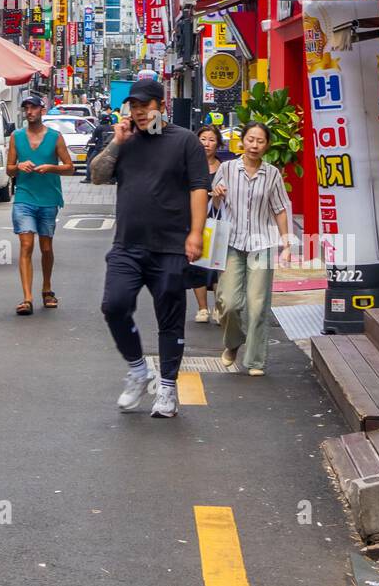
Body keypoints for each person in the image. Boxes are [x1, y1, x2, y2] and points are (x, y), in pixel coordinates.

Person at [91, 77, 210, 419]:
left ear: (162, 106)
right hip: (127, 244)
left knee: (169, 317)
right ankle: (139, 370)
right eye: (135, 107)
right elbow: (97, 175)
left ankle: (168, 388)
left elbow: (199, 188)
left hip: (171, 245)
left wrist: (196, 234)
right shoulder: (125, 141)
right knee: (114, 305)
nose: (140, 113)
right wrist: (116, 142)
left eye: (146, 106)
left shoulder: (184, 141)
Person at [211, 122, 292, 376]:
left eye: (260, 141)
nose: (254, 145)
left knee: (258, 305)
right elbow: (214, 203)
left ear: (266, 145)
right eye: (250, 140)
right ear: (242, 141)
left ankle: (255, 360)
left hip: (262, 243)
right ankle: (233, 342)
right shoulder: (226, 168)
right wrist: (216, 194)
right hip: (231, 242)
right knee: (228, 303)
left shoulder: (272, 175)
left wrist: (286, 243)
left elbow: (279, 209)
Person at [6, 93, 74, 315]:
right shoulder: (16, 136)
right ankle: (27, 298)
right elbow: (9, 168)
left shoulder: (55, 137)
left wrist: (50, 167)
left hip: (48, 199)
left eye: (33, 108)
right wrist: (19, 166)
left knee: (46, 247)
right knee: (26, 245)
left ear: (41, 110)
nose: (29, 112)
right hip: (24, 197)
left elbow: (70, 167)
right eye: (26, 108)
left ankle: (47, 288)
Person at [188, 124, 230, 325]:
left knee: (218, 265)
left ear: (218, 144)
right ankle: (202, 308)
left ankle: (219, 308)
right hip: (195, 222)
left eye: (212, 139)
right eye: (203, 139)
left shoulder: (226, 168)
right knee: (197, 265)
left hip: (219, 222)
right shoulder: (189, 165)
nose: (207, 143)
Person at [84, 111, 114, 183]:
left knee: (90, 162)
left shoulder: (99, 128)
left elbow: (93, 138)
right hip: (110, 149)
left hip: (99, 149)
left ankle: (88, 178)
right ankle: (112, 179)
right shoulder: (112, 128)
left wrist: (89, 144)